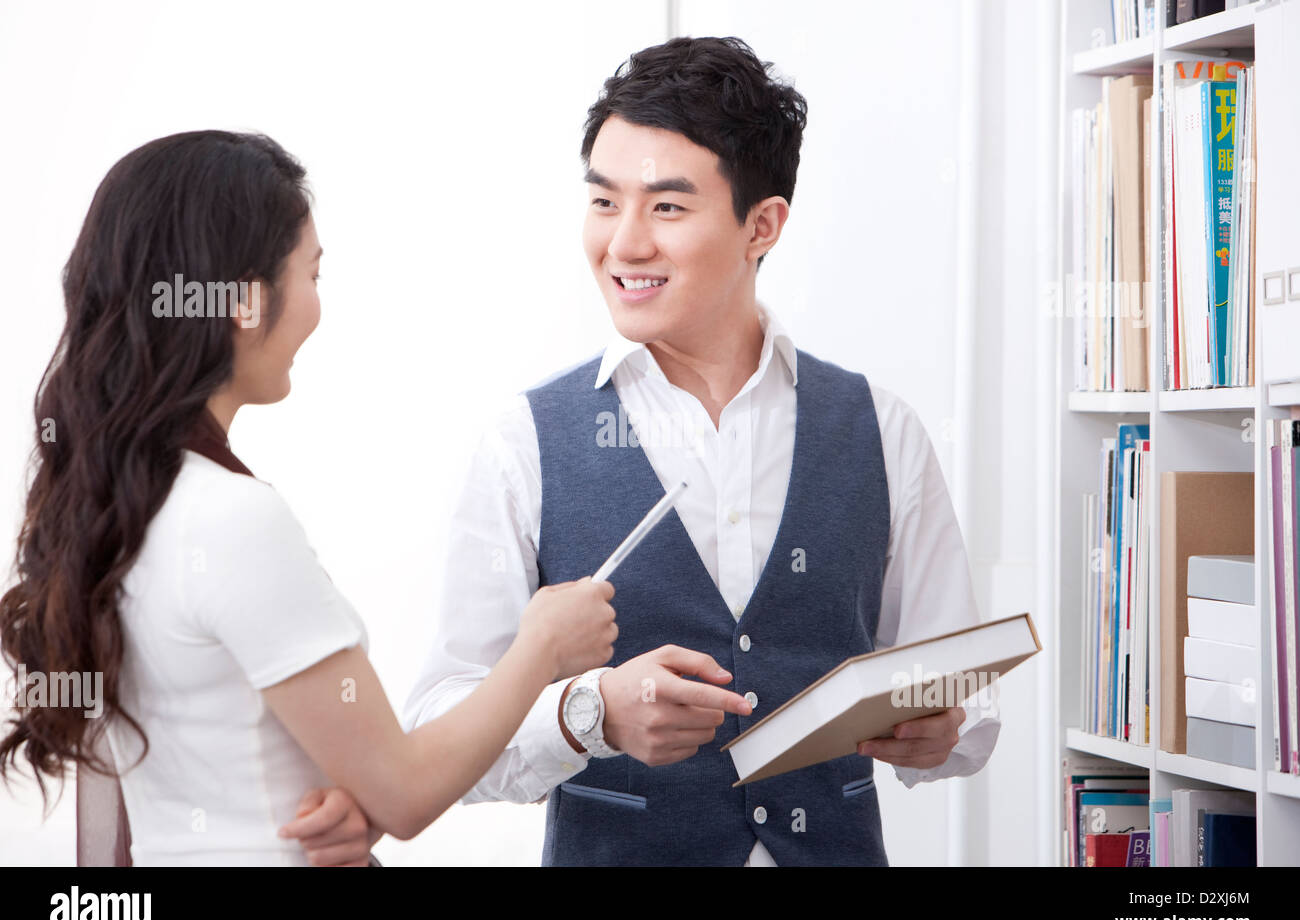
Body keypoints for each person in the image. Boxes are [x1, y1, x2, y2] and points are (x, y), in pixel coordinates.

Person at [381, 37, 1002, 866]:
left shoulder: (881, 430)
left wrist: (944, 727)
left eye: (667, 208)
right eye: (604, 202)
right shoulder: (525, 441)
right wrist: (592, 712)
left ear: (763, 225)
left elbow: (962, 688)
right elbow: (439, 730)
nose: (624, 245)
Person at [0, 130, 619, 865]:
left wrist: (352, 796)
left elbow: (134, 815)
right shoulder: (231, 519)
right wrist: (542, 645)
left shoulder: (112, 507)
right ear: (242, 300)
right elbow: (407, 792)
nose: (317, 309)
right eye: (312, 274)